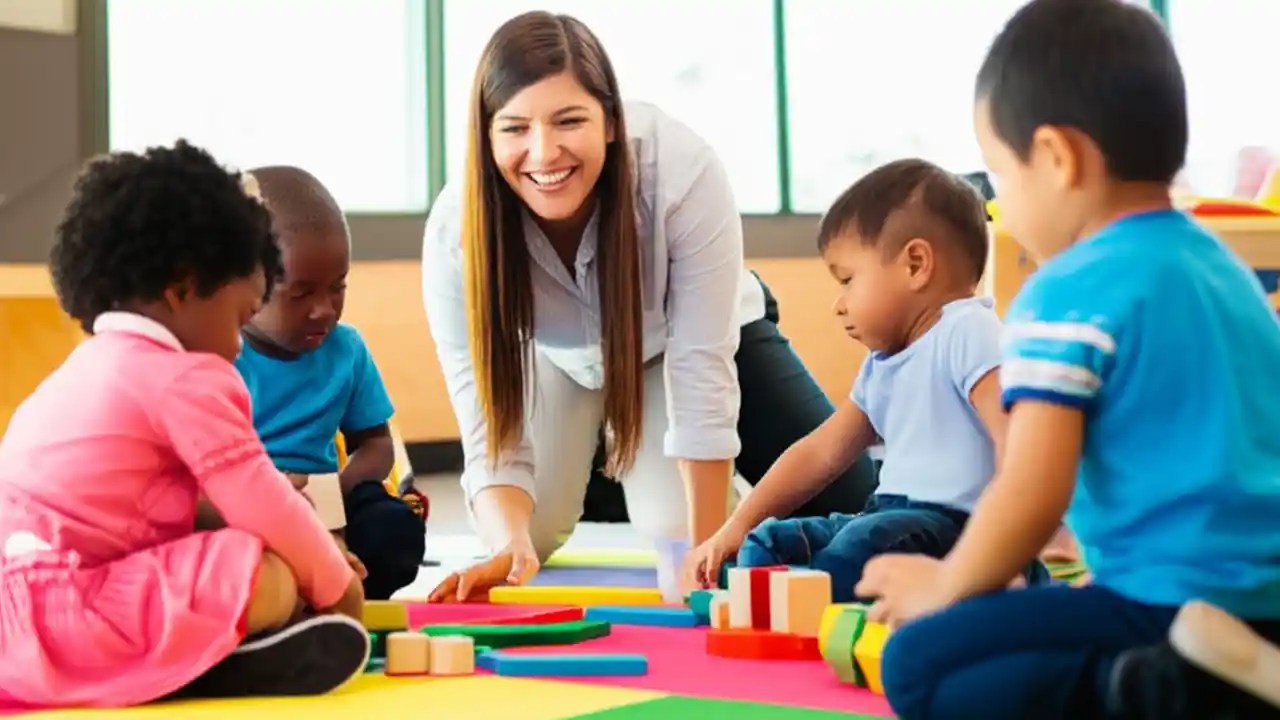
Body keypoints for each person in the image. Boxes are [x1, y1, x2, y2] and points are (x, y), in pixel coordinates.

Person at [854, 1, 1280, 718]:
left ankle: (1162, 690)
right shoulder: (1224, 270)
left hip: (1166, 604)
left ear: (1057, 158)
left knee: (917, 663)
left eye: (1001, 177)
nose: (1004, 211)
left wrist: (948, 581)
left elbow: (1031, 489)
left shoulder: (1069, 289)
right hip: (1265, 599)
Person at [421, 10, 877, 601]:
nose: (543, 152)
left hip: (685, 342)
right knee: (520, 534)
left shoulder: (680, 171)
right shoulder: (456, 233)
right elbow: (484, 411)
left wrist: (704, 549)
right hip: (559, 362)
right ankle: (610, 468)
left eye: (569, 120)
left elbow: (700, 373)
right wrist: (508, 544)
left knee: (843, 505)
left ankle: (637, 474)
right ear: (485, 136)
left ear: (610, 120)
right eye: (514, 129)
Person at [0, 141, 369, 709]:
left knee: (236, 543)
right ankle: (204, 666)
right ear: (180, 291)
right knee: (269, 572)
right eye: (239, 319)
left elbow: (164, 507)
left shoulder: (89, 364)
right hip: (78, 618)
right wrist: (336, 586)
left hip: (14, 631)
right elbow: (260, 499)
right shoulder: (186, 376)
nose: (238, 344)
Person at [684, 159, 1048, 599]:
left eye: (848, 280)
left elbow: (1018, 441)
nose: (839, 304)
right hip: (884, 518)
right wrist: (737, 527)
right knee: (768, 543)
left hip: (957, 524)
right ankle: (784, 596)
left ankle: (811, 597)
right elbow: (820, 453)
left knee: (856, 549)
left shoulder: (967, 330)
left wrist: (1008, 550)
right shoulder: (883, 364)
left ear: (915, 264)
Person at [228, 165, 426, 601]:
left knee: (393, 532)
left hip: (328, 501)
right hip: (244, 507)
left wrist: (335, 491)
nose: (324, 309)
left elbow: (376, 445)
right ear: (244, 282)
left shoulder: (347, 349)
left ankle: (339, 585)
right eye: (300, 294)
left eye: (337, 288)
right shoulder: (220, 353)